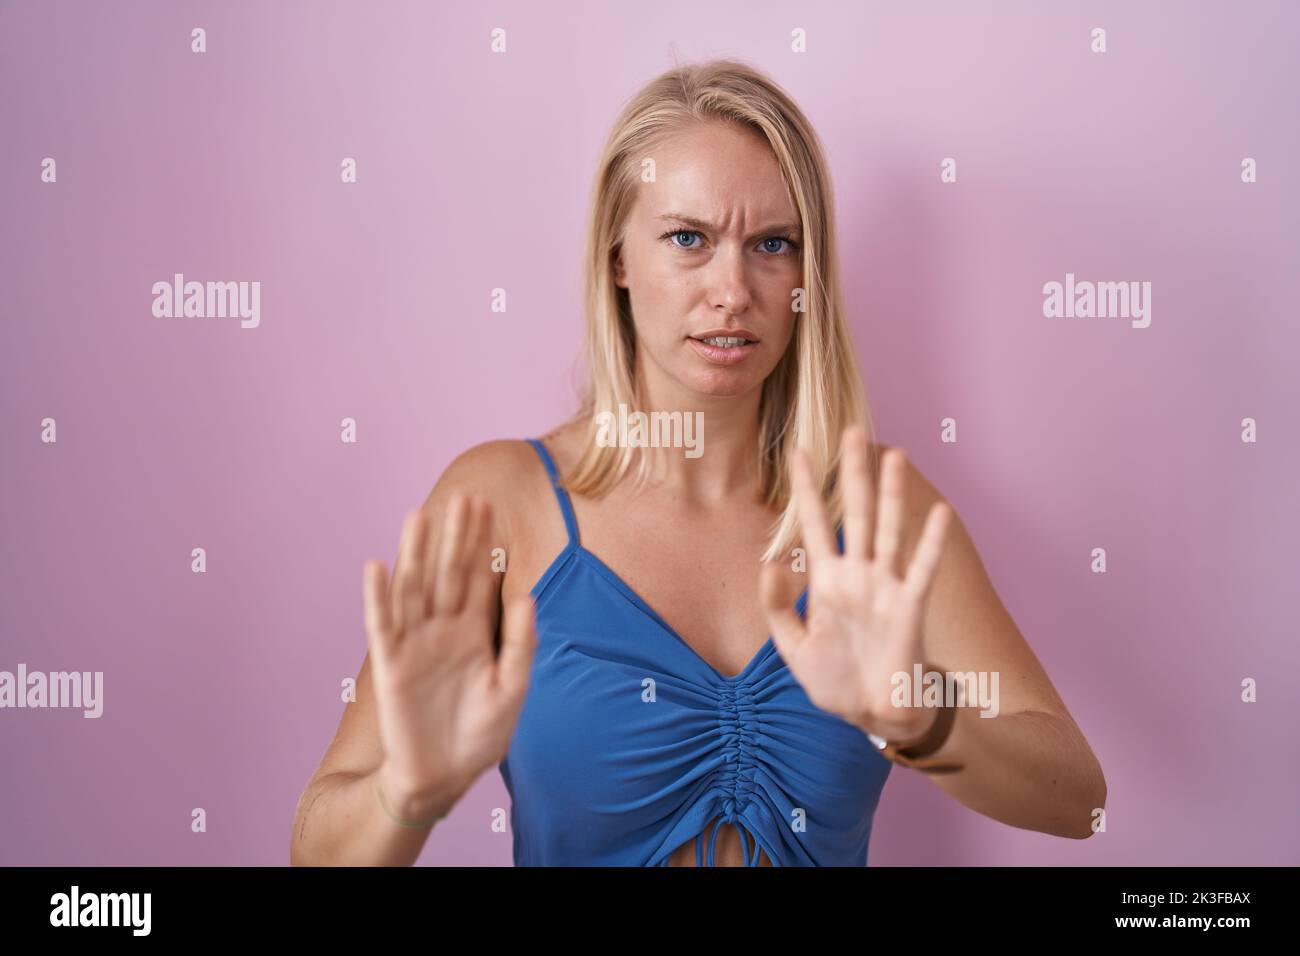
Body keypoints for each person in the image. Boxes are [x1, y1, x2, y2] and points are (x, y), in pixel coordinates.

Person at [290, 58, 1106, 867]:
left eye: (772, 245)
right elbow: (317, 853)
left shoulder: (876, 510)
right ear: (617, 257)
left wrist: (922, 716)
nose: (732, 289)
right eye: (688, 238)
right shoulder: (501, 503)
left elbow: (1079, 800)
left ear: (805, 275)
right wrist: (409, 789)